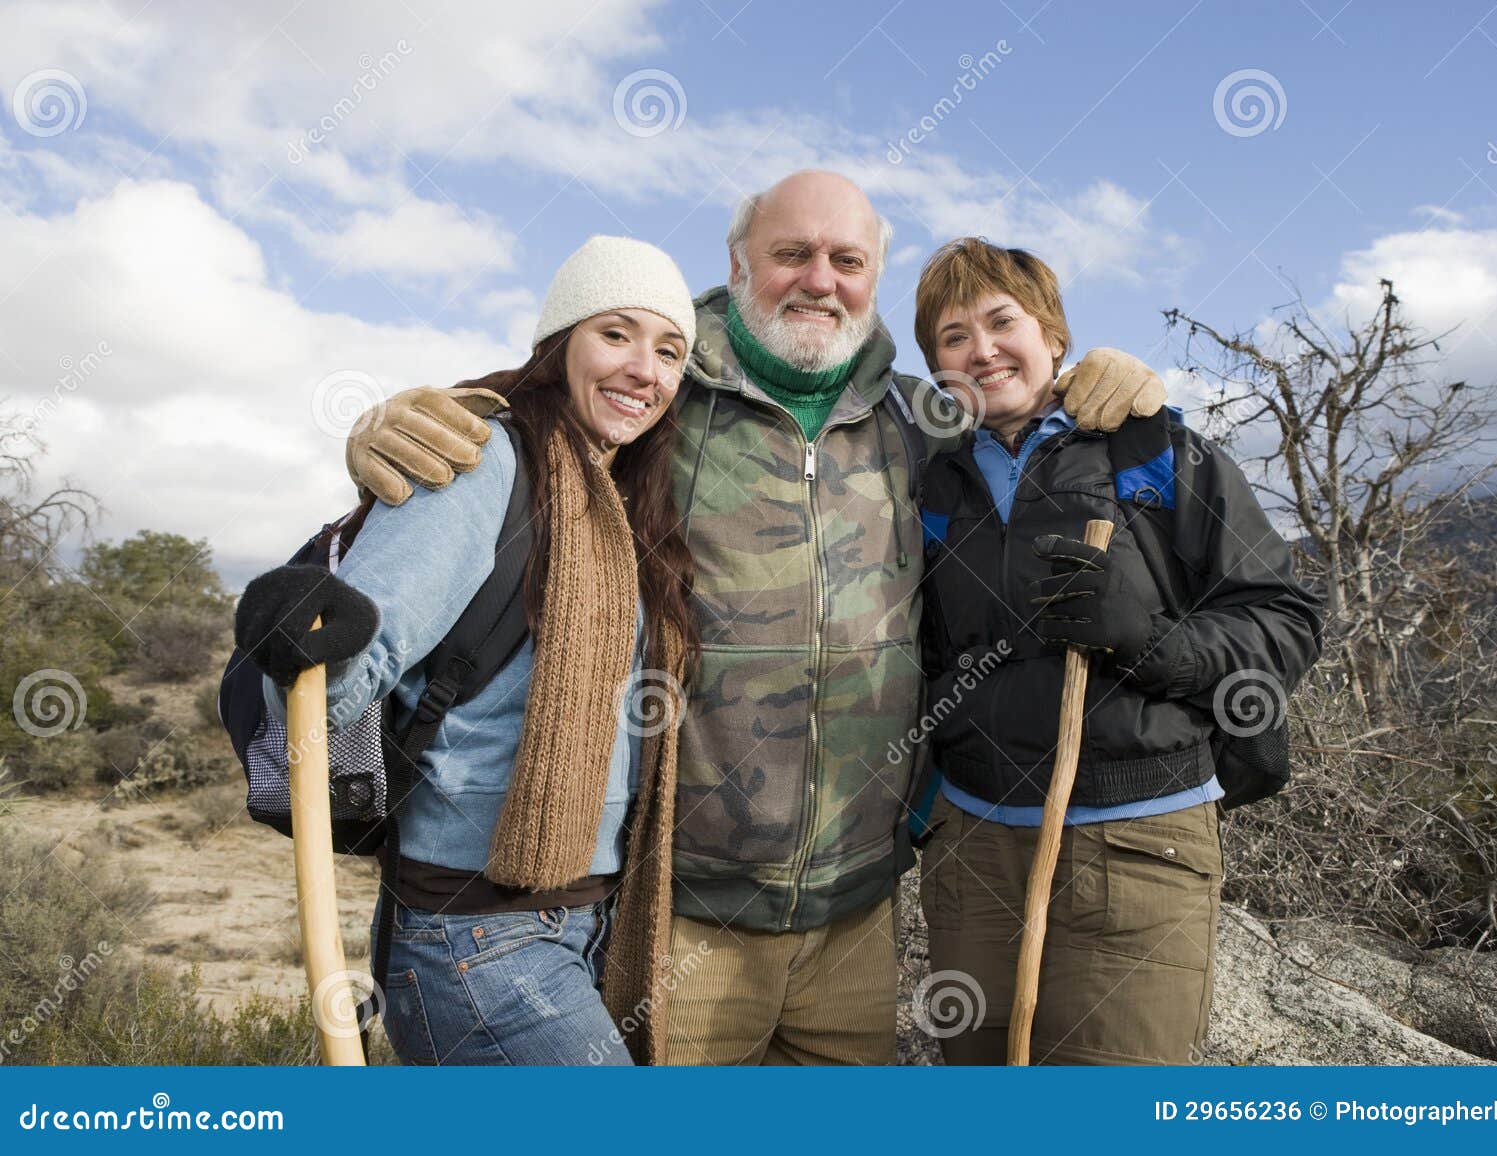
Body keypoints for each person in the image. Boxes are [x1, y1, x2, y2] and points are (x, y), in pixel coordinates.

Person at [342, 171, 1171, 1064]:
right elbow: (535, 440)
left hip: (858, 911)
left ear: (873, 279)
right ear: (739, 264)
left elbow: (1022, 422)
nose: (820, 279)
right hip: (686, 914)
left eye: (847, 260)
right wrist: (388, 430)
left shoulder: (920, 417)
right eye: (792, 254)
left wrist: (1109, 381)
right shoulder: (662, 392)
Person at [233, 236, 699, 1065]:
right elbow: (355, 660)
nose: (645, 370)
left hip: (581, 924)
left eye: (669, 351)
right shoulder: (485, 458)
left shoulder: (621, 503)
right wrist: (311, 637)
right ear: (558, 346)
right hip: (479, 937)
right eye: (617, 335)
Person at [911, 237, 1323, 1064]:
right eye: (953, 337)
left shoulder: (1152, 452)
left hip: (1138, 842)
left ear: (1054, 335)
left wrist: (1153, 642)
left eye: (1002, 321)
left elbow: (1287, 615)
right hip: (974, 852)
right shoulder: (929, 479)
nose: (982, 350)